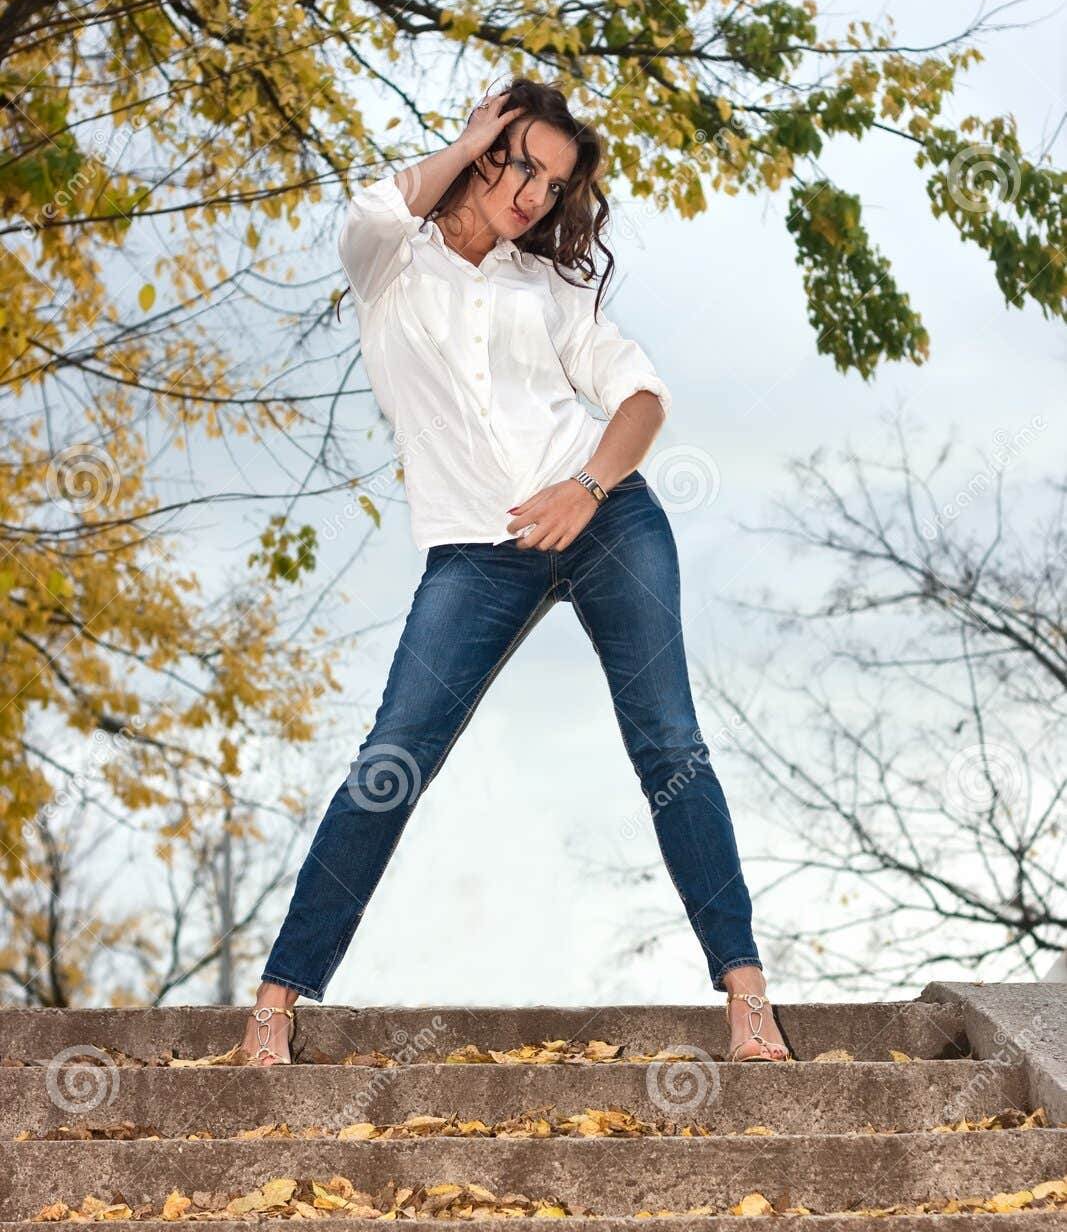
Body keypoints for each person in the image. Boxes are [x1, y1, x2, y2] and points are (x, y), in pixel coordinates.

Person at [232, 76, 797, 1069]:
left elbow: (640, 400)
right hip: (473, 552)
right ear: (484, 143)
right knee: (391, 759)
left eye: (555, 181)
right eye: (521, 163)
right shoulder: (390, 265)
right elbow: (374, 210)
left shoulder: (551, 289)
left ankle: (747, 1004)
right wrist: (462, 144)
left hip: (605, 518)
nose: (535, 194)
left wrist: (585, 484)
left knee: (667, 740)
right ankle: (276, 1005)